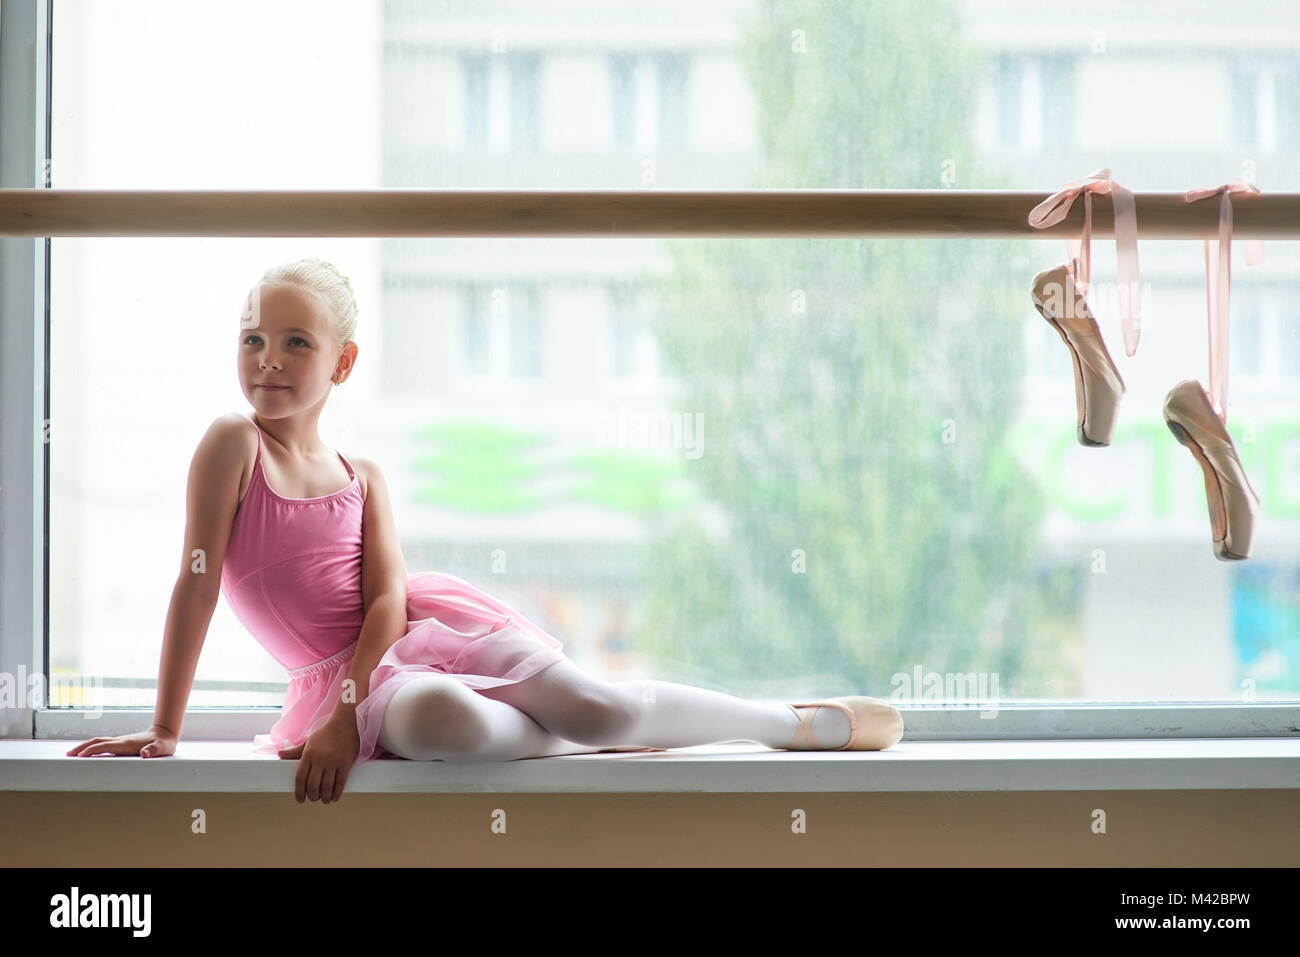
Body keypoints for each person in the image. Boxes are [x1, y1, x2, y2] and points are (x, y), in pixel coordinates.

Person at [66, 258, 903, 804]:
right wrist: (166, 726)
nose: (268, 360)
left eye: (295, 342)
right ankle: (576, 745)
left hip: (422, 639)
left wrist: (349, 708)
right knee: (443, 727)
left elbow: (388, 602)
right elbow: (198, 581)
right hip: (355, 683)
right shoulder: (231, 444)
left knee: (603, 707)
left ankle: (781, 721)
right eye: (252, 340)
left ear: (342, 363)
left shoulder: (365, 476)